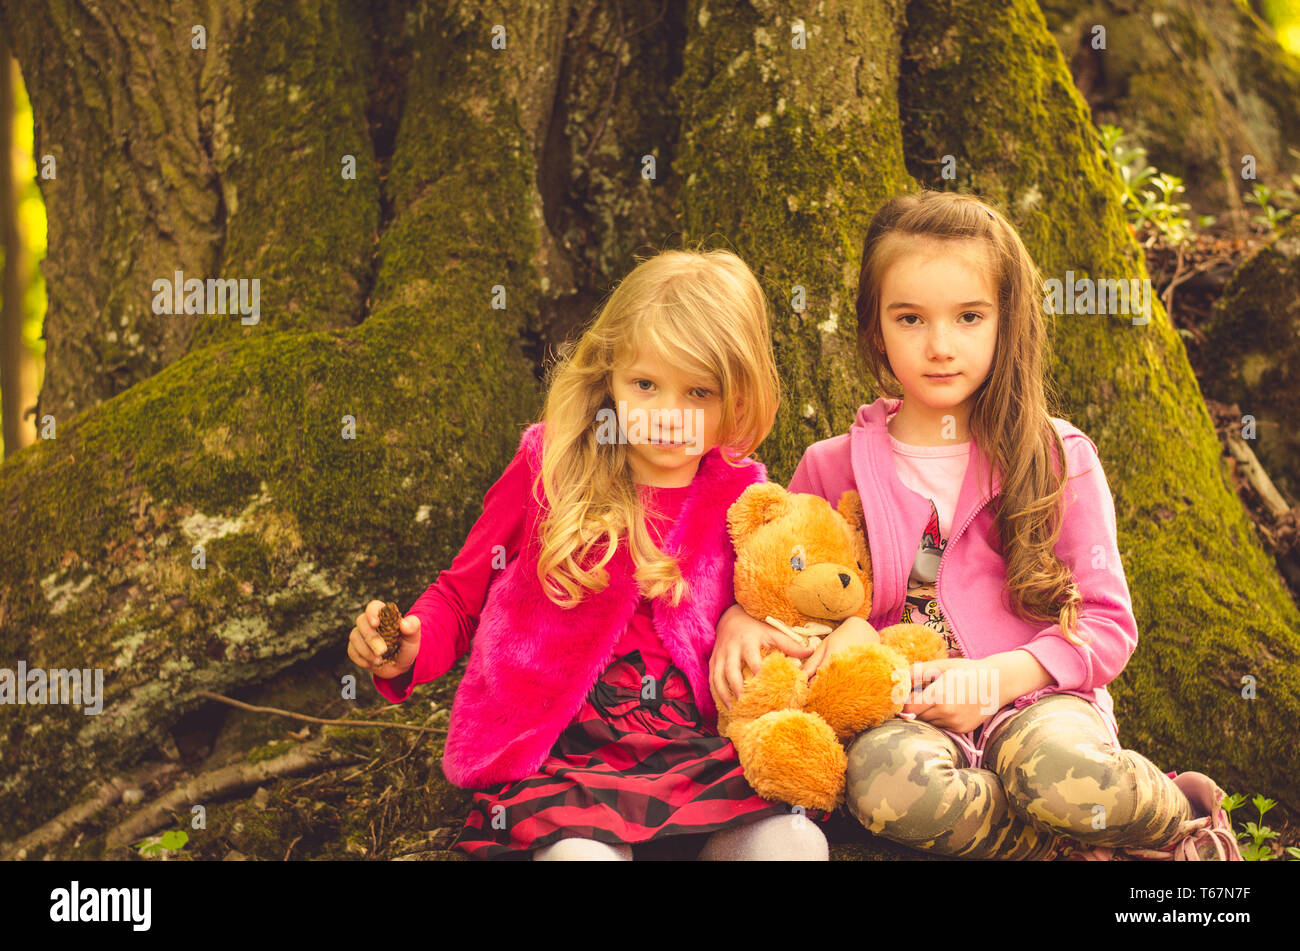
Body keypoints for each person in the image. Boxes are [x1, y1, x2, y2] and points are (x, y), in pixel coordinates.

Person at [710, 190, 1242, 861]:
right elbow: (788, 583)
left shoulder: (1055, 456)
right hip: (905, 717)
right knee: (882, 790)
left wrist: (993, 679)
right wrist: (742, 620)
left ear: (1004, 322)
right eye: (910, 318)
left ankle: (1181, 819)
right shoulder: (831, 464)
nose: (939, 346)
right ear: (876, 329)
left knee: (1060, 778)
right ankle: (1074, 851)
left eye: (968, 317)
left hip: (1040, 702)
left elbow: (1108, 625)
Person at [348, 248, 835, 860]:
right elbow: (459, 597)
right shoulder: (549, 467)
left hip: (693, 757)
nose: (666, 417)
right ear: (609, 373)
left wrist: (745, 618)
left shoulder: (742, 494)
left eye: (698, 392)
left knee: (792, 842)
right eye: (646, 385)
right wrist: (407, 649)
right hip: (562, 757)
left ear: (737, 397)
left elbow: (778, 602)